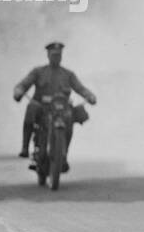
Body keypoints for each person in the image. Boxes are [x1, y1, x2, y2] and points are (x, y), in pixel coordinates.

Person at [13, 42, 97, 170]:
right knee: (31, 108)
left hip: (61, 111)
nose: (56, 58)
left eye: (58, 55)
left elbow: (80, 88)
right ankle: (25, 147)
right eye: (53, 55)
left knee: (70, 118)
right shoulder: (38, 72)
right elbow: (23, 84)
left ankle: (63, 155)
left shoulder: (68, 74)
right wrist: (19, 91)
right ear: (48, 55)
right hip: (42, 109)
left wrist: (90, 96)